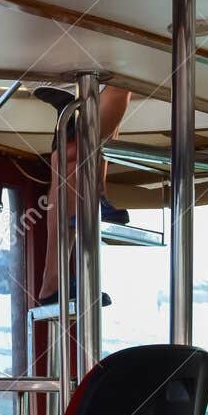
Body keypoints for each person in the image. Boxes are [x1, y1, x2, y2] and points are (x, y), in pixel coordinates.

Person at [35, 84, 131, 306]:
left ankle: (53, 284)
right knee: (119, 85)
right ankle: (96, 196)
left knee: (76, 152)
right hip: (64, 67)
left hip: (72, 69)